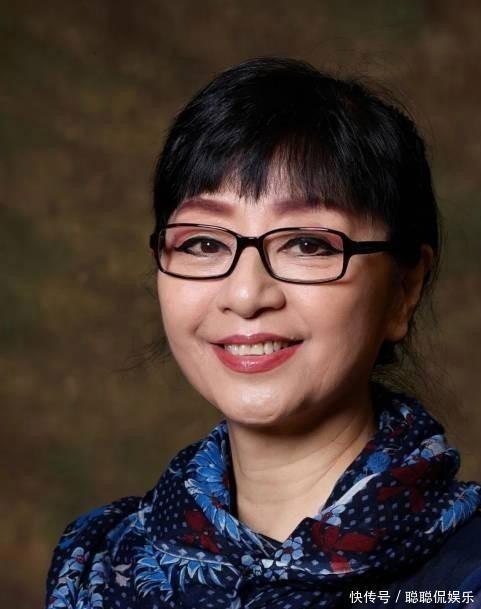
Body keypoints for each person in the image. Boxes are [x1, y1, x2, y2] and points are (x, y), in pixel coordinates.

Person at [45, 57, 481, 609]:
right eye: (204, 243)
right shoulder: (95, 562)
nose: (247, 295)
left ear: (404, 288)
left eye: (307, 243)